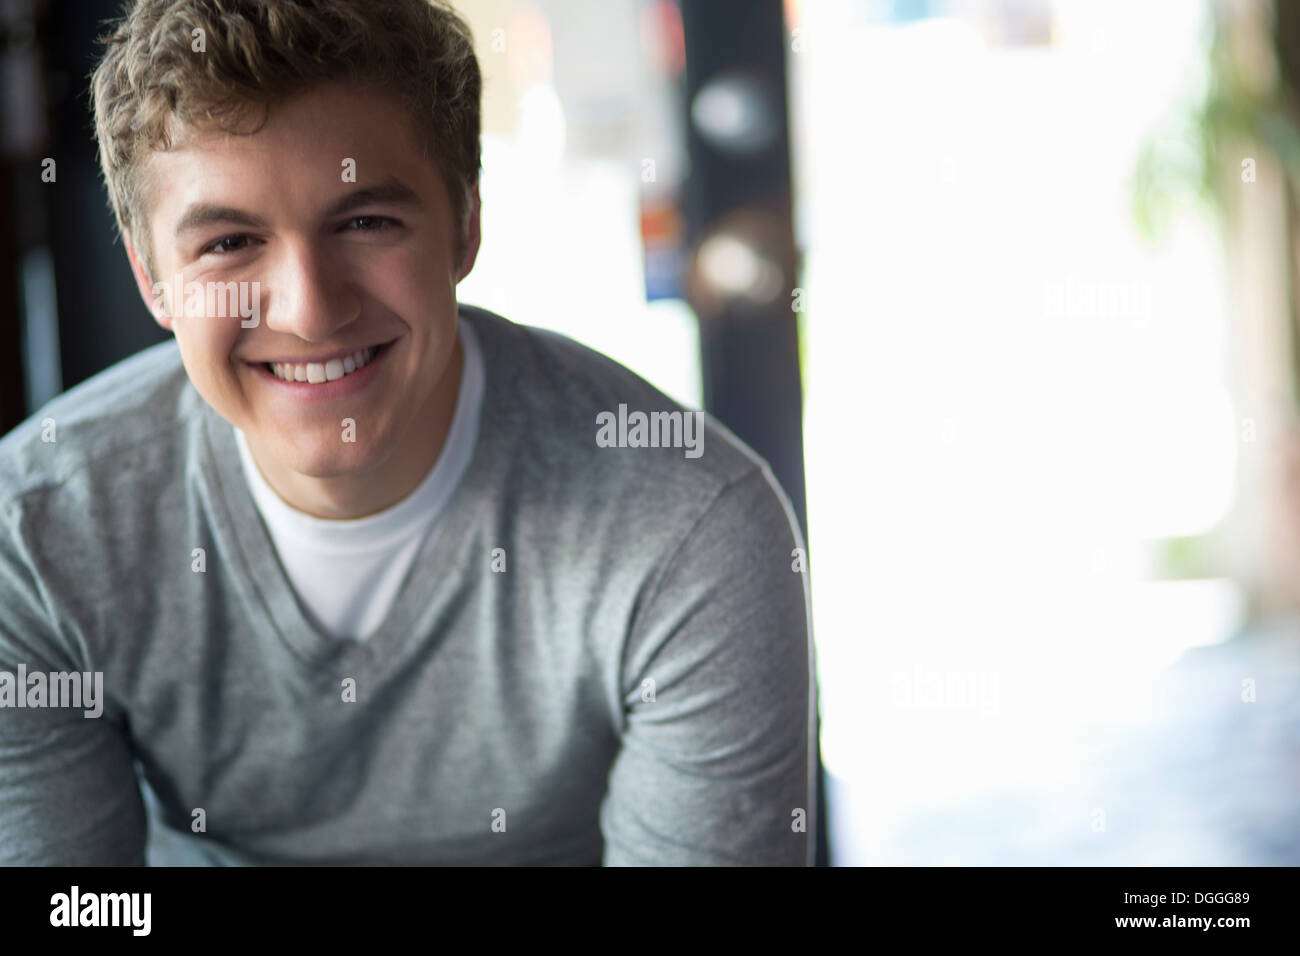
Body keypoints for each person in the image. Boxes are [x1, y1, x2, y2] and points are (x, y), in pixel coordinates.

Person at [0, 0, 816, 865]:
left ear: (467, 223)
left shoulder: (691, 527)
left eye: (363, 222)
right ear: (151, 277)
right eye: (230, 242)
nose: (310, 311)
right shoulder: (35, 537)